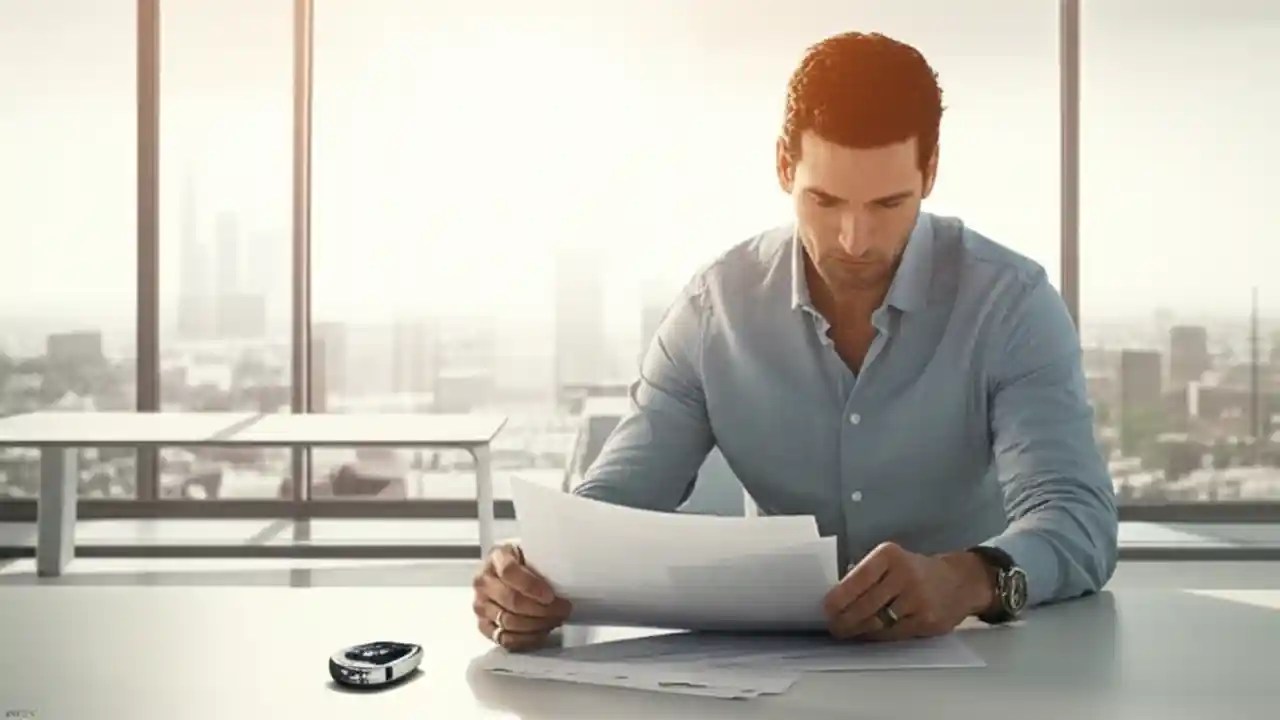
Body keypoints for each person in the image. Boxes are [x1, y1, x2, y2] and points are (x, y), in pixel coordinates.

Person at [472, 30, 1118, 652]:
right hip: (764, 674)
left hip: (976, 659)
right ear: (784, 165)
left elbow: (1077, 519)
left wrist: (967, 578)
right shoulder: (713, 311)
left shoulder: (1011, 304)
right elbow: (610, 509)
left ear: (931, 172)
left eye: (889, 204)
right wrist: (532, 580)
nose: (855, 240)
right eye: (826, 201)